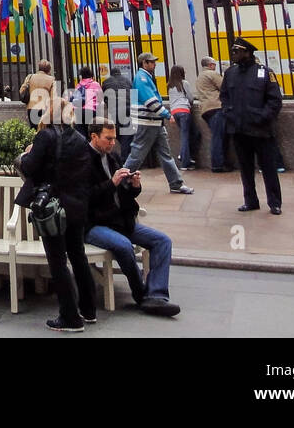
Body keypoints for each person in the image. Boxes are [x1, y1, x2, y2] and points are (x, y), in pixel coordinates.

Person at [83, 118, 180, 317]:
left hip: (121, 219)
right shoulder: (82, 160)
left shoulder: (113, 157)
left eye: (114, 139)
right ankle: (142, 294)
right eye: (108, 139)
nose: (112, 143)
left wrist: (133, 185)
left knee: (163, 241)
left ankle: (157, 295)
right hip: (94, 223)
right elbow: (85, 198)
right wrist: (112, 182)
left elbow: (124, 194)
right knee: (124, 245)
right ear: (94, 137)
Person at [18, 98, 98, 332]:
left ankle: (70, 318)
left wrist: (26, 155)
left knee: (58, 261)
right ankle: (89, 310)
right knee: (78, 256)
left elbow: (30, 167)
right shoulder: (80, 138)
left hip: (54, 207)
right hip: (77, 207)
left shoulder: (46, 136)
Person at [220, 37, 283, 215]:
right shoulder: (230, 73)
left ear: (248, 53)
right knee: (245, 168)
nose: (233, 54)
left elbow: (275, 101)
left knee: (268, 167)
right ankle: (250, 200)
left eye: (237, 51)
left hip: (260, 129)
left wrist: (262, 117)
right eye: (233, 51)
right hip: (239, 129)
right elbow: (224, 97)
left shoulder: (264, 72)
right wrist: (228, 113)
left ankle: (275, 202)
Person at [124, 53, 193, 194]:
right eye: (152, 62)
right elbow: (150, 101)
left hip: (153, 122)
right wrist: (167, 114)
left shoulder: (144, 77)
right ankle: (120, 180)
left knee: (164, 154)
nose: (154, 64)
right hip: (148, 121)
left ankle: (176, 183)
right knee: (138, 154)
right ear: (144, 63)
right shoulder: (142, 78)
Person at [195, 55, 230, 172]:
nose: (215, 66)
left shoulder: (200, 76)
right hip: (216, 106)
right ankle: (218, 164)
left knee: (217, 136)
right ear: (210, 65)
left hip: (205, 109)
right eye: (214, 64)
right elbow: (224, 86)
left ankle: (219, 162)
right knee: (219, 137)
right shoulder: (212, 74)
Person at [166, 66, 200, 171]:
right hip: (184, 111)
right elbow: (190, 98)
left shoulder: (169, 85)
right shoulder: (184, 83)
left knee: (190, 133)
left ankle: (184, 155)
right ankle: (185, 162)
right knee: (186, 136)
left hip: (174, 112)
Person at [100, 64, 134, 159]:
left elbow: (103, 97)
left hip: (114, 111)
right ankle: (125, 160)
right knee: (126, 136)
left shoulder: (106, 82)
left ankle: (124, 160)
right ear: (120, 73)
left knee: (118, 134)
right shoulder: (127, 81)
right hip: (128, 110)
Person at [69, 66, 101, 139]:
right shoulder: (95, 84)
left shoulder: (78, 85)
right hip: (91, 111)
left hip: (78, 111)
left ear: (81, 76)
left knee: (81, 134)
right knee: (91, 133)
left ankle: (83, 148)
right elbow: (100, 99)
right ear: (91, 75)